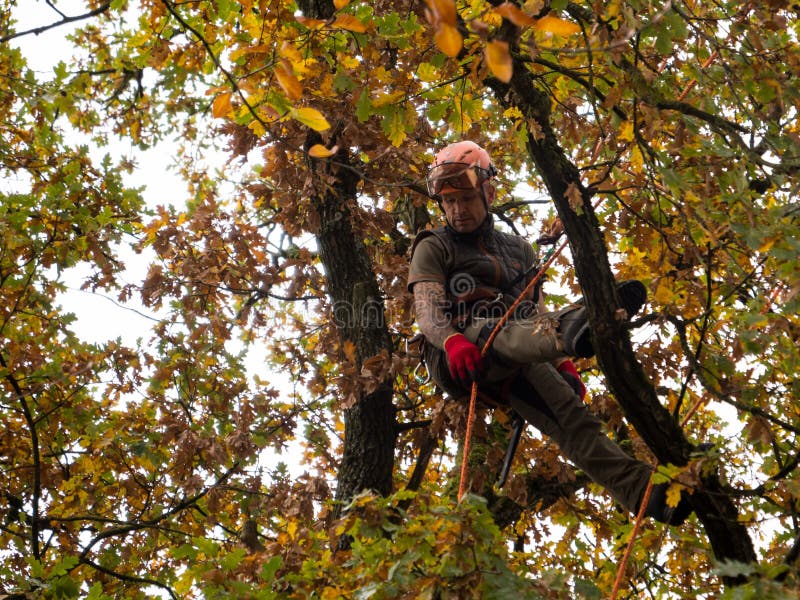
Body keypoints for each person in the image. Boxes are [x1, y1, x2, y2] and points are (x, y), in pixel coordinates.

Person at [408, 140, 693, 525]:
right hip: (457, 353)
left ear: (488, 193)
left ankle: (651, 496)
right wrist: (452, 341)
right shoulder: (433, 246)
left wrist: (563, 368)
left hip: (516, 348)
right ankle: (579, 320)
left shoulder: (519, 251)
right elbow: (427, 310)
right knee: (498, 328)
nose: (457, 211)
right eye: (449, 202)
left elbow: (534, 313)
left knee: (575, 421)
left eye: (466, 200)